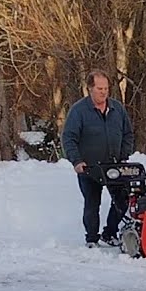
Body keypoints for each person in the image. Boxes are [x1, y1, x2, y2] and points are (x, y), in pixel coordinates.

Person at [61, 69, 136, 247]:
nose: (103, 92)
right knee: (92, 203)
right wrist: (77, 161)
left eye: (106, 89)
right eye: (99, 89)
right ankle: (92, 238)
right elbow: (69, 138)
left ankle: (109, 232)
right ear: (90, 89)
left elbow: (128, 134)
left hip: (114, 165)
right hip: (90, 167)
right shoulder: (79, 111)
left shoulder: (117, 109)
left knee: (122, 198)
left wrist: (124, 154)